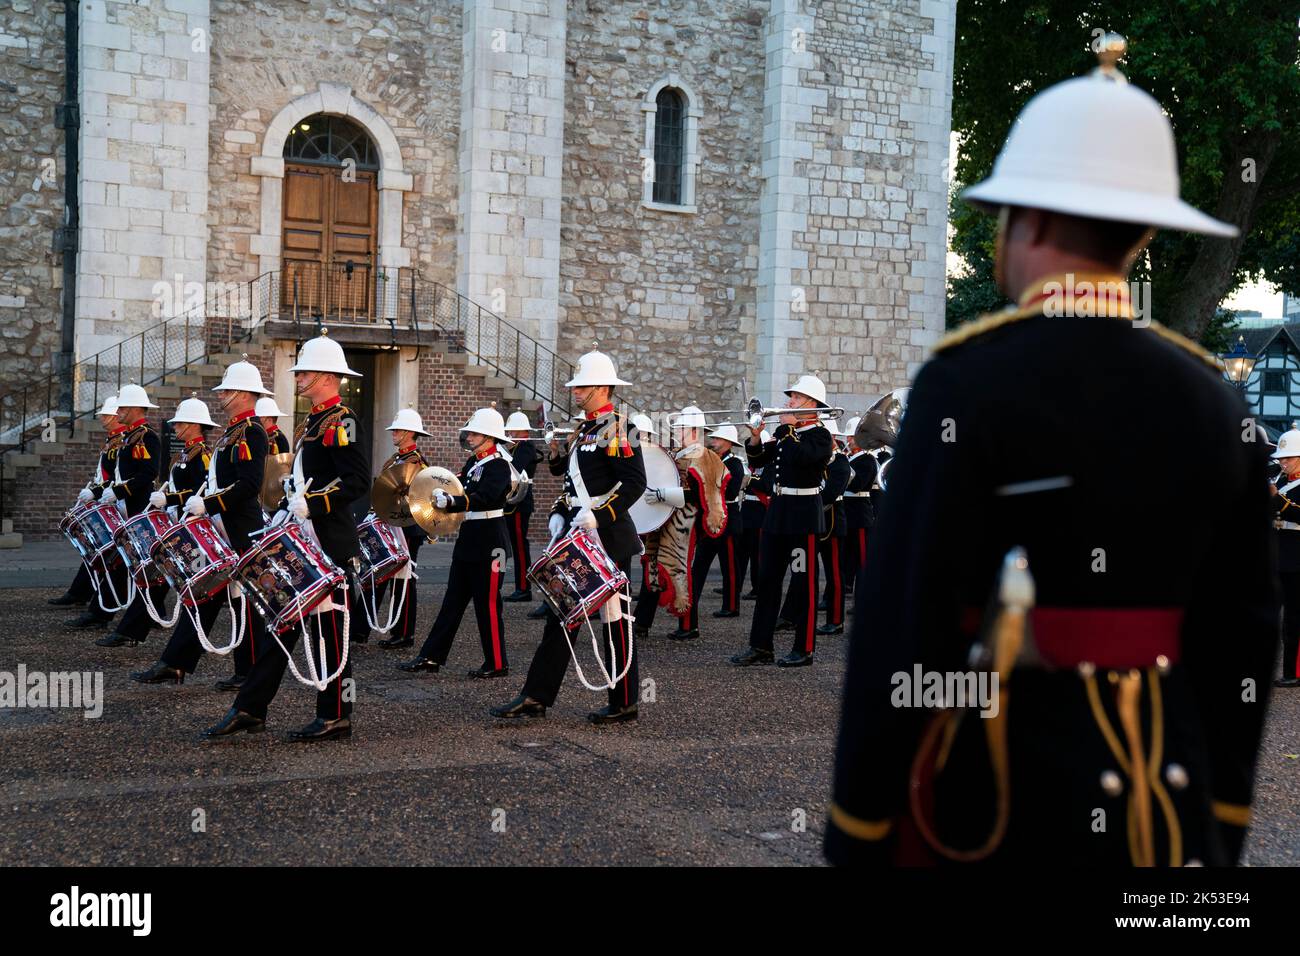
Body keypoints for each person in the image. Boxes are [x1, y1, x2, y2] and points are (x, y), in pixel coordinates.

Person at [826, 38, 1275, 866]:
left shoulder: (965, 384)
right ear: (1143, 231)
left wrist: (859, 828)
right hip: (1168, 820)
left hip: (1002, 808)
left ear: (1026, 217)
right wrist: (1221, 827)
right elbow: (1240, 643)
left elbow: (900, 631)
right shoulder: (1214, 397)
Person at [202, 331, 369, 742]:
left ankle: (335, 716)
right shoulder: (315, 420)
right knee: (281, 626)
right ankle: (250, 709)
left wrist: (315, 502)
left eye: (306, 371)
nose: (298, 378)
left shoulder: (342, 419)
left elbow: (357, 480)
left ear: (327, 377)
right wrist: (285, 511)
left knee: (331, 634)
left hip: (329, 542)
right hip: (304, 537)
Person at [491, 349, 647, 724]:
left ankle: (624, 699)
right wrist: (562, 515)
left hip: (606, 535)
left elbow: (635, 483)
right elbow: (572, 484)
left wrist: (599, 515)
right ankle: (536, 695)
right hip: (580, 532)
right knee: (562, 614)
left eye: (582, 386)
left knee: (616, 619)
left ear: (601, 388)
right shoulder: (585, 429)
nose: (575, 392)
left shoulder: (619, 428)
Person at [131, 359, 271, 690]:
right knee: (207, 595)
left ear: (241, 393)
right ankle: (177, 663)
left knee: (244, 600)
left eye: (226, 390)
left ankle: (245, 671)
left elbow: (249, 485)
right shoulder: (233, 432)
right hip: (222, 526)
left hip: (240, 528)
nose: (221, 396)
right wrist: (196, 505)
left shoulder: (251, 432)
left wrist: (208, 503)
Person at [398, 407, 513, 678]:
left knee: (488, 605)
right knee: (452, 602)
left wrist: (454, 502)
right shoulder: (474, 463)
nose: (470, 437)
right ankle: (431, 656)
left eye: (475, 433)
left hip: (491, 543)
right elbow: (457, 487)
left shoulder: (498, 465)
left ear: (489, 437)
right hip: (469, 540)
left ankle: (497, 663)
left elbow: (487, 496)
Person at [729, 374, 833, 668]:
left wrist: (787, 430)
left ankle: (805, 648)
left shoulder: (820, 436)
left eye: (796, 398)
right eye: (792, 397)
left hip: (803, 515)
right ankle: (760, 646)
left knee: (804, 583)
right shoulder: (788, 434)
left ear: (812, 404)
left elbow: (803, 458)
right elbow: (759, 460)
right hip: (778, 514)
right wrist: (754, 435)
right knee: (768, 580)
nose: (789, 402)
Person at [98, 396, 216, 648]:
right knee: (159, 577)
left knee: (186, 585)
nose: (174, 428)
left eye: (179, 424)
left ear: (193, 425)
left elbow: (201, 491)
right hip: (175, 521)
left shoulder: (202, 455)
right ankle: (132, 630)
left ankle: (166, 638)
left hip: (191, 524)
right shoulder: (185, 454)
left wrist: (170, 497)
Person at [635, 405, 727, 642]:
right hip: (667, 518)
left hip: (685, 523)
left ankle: (688, 625)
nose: (677, 432)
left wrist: (666, 494)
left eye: (682, 428)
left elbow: (700, 495)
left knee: (681, 571)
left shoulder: (706, 458)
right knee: (653, 567)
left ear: (695, 430)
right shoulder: (677, 453)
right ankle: (641, 623)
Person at [74, 384, 161, 633]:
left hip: (137, 507)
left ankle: (122, 616)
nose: (118, 411)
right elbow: (116, 476)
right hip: (124, 507)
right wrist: (99, 492)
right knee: (121, 563)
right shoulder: (128, 437)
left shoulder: (147, 436)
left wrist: (120, 492)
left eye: (122, 407)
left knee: (140, 566)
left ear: (134, 409)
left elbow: (148, 473)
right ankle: (101, 612)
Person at [52, 396, 124, 619]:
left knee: (107, 554)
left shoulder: (121, 441)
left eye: (105, 414)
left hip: (115, 503)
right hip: (106, 499)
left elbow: (115, 476)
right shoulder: (113, 440)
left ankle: (92, 599)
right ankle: (81, 591)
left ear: (115, 416)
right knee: (96, 550)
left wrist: (99, 493)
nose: (102, 418)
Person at [372, 407, 430, 651]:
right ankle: (397, 630)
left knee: (404, 580)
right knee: (395, 577)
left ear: (409, 433)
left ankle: (404, 633)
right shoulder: (398, 459)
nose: (393, 433)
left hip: (407, 526)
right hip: (394, 522)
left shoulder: (416, 462)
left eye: (397, 429)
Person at [693, 423, 747, 620]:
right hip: (709, 518)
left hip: (728, 519)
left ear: (727, 442)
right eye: (713, 439)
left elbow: (730, 491)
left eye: (716, 439)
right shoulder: (711, 459)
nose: (712, 442)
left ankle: (731, 606)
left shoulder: (734, 463)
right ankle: (691, 603)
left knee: (730, 566)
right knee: (699, 565)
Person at [1270, 428, 1300, 688]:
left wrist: (1276, 498)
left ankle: (1291, 671)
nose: (1283, 461)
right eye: (1282, 457)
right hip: (1276, 555)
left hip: (1297, 559)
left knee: (1293, 619)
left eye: (1289, 457)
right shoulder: (1279, 480)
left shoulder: (1283, 487)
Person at [839, 416, 877, 603]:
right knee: (845, 556)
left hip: (860, 513)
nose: (848, 441)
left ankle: (862, 599)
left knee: (862, 558)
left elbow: (857, 485)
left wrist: (842, 468)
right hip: (847, 511)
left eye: (852, 437)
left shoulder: (867, 460)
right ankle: (843, 589)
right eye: (848, 437)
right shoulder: (848, 458)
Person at [503, 410, 539, 602]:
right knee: (510, 545)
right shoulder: (516, 446)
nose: (510, 434)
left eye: (512, 431)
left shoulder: (525, 447)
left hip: (520, 502)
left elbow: (515, 468)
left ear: (521, 431)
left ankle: (524, 588)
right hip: (512, 501)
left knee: (519, 546)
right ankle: (518, 586)